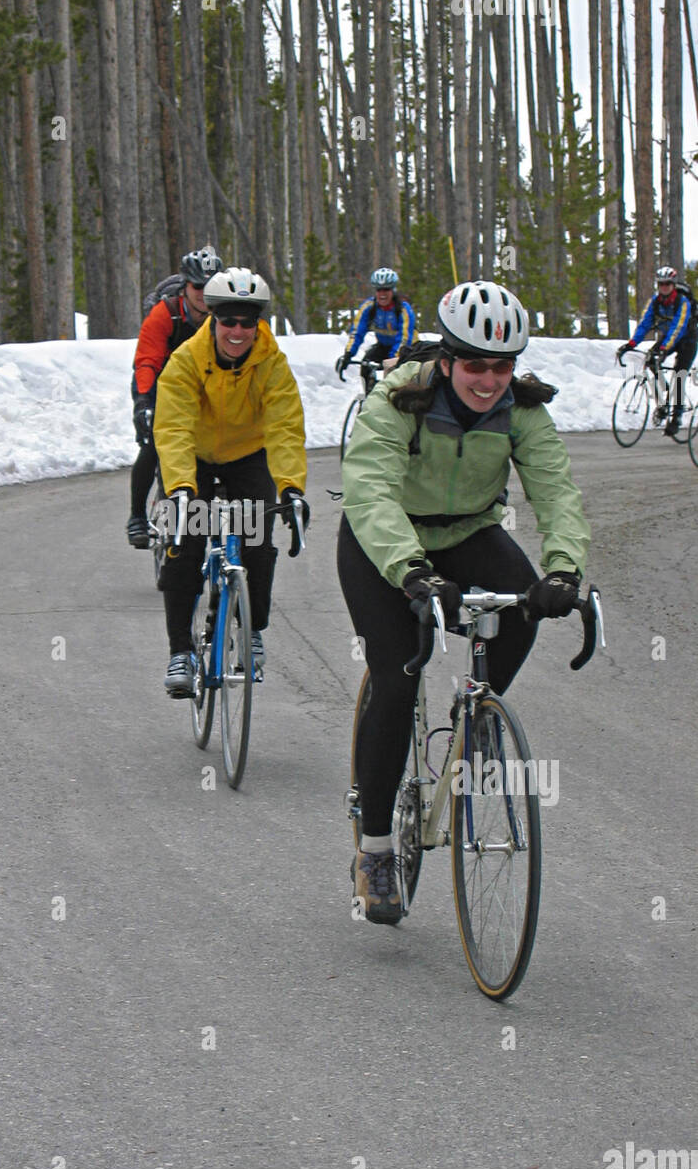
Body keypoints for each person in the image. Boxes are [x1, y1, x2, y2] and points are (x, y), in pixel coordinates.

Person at [338, 280, 590, 921]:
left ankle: (473, 724)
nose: (488, 380)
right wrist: (412, 573)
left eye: (501, 366)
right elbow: (369, 491)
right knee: (399, 677)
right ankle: (374, 848)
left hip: (469, 532)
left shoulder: (522, 411)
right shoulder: (398, 400)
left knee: (523, 614)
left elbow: (556, 492)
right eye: (475, 364)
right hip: (385, 541)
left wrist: (563, 572)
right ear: (447, 360)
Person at [153, 266, 309, 697]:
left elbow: (285, 428)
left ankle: (252, 628)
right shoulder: (186, 360)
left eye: (248, 322)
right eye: (228, 321)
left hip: (248, 455)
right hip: (197, 458)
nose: (238, 331)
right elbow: (173, 428)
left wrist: (291, 487)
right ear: (213, 320)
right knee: (185, 542)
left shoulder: (272, 364)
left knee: (257, 540)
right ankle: (180, 651)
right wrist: (182, 489)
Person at [127, 246, 224, 548]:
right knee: (156, 444)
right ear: (186, 285)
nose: (203, 293)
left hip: (201, 386)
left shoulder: (224, 316)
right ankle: (137, 517)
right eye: (198, 286)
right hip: (158, 383)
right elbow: (146, 361)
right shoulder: (166, 313)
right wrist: (144, 403)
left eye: (210, 286)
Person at [617, 266, 696, 436]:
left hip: (687, 340)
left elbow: (678, 328)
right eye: (661, 284)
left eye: (667, 283)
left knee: (679, 376)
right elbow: (645, 323)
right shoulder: (655, 301)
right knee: (651, 361)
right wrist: (631, 343)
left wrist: (663, 348)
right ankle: (664, 399)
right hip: (668, 338)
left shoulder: (682, 302)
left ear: (673, 284)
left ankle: (677, 417)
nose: (664, 287)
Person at [335, 267, 417, 383]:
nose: (382, 294)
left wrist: (392, 360)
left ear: (393, 290)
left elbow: (404, 339)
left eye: (386, 289)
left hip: (407, 349)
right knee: (366, 368)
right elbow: (357, 332)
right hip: (383, 346)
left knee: (397, 379)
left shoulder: (403, 310)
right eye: (379, 290)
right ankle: (369, 397)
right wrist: (348, 354)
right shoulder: (369, 307)